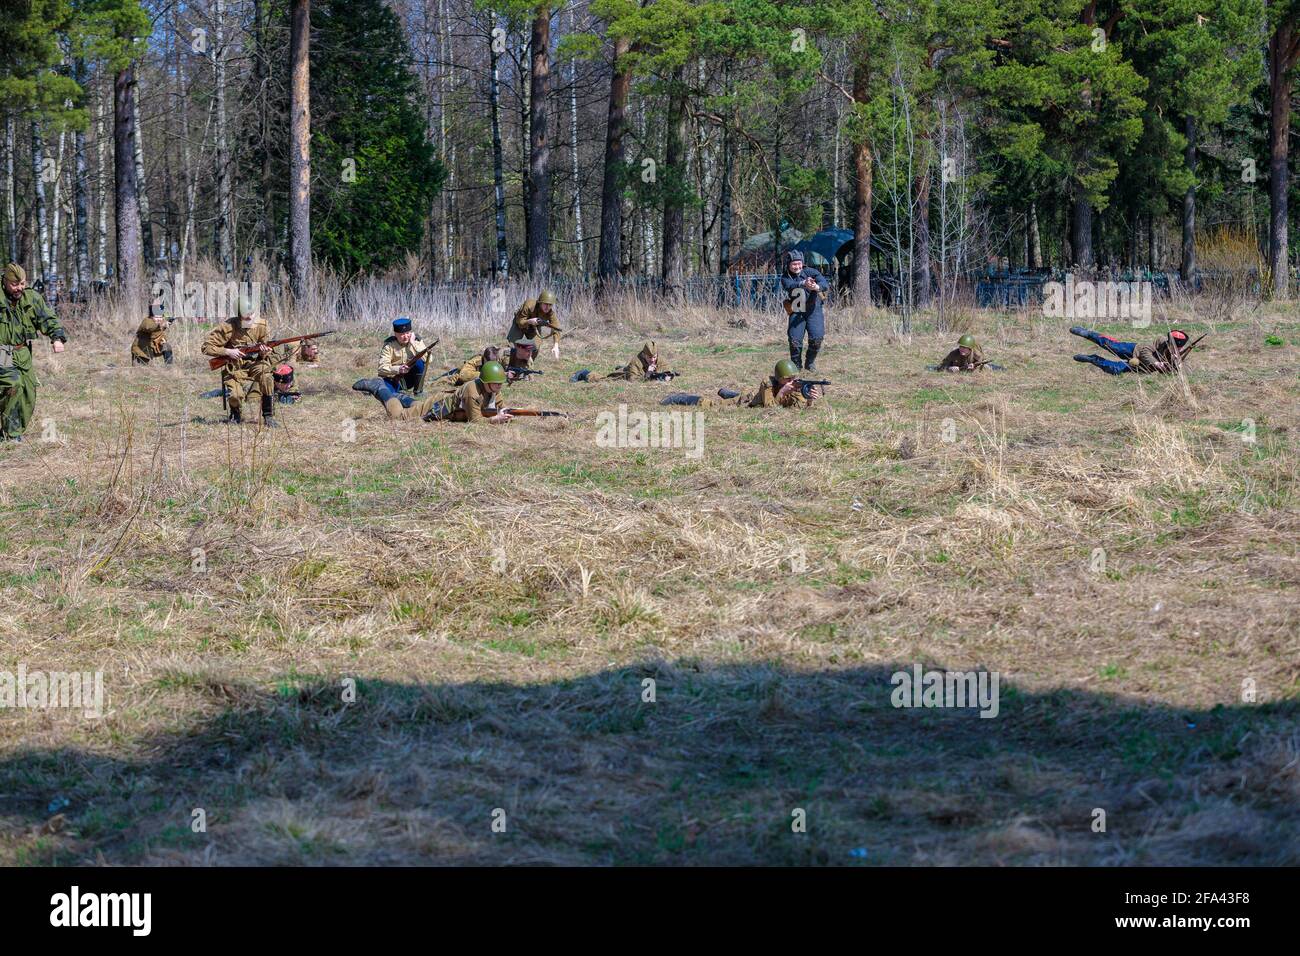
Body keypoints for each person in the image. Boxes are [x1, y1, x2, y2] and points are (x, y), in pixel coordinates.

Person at [0, 262, 68, 443]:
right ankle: (11, 434)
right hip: (2, 351)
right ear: (5, 281)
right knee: (12, 385)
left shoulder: (31, 298)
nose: (19, 288)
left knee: (28, 392)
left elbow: (47, 318)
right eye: (15, 284)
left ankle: (14, 429)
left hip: (23, 351)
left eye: (22, 283)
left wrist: (57, 337)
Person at [353, 360, 516, 423]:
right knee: (399, 417)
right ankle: (379, 388)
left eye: (500, 383)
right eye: (496, 384)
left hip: (445, 408)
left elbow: (498, 406)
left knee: (419, 406)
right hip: (438, 407)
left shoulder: (494, 388)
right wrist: (496, 420)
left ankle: (400, 397)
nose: (499, 387)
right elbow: (475, 422)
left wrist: (504, 412)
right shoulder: (472, 391)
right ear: (486, 382)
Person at [200, 297, 277, 426]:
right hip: (234, 366)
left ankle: (268, 416)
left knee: (267, 377)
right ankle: (235, 414)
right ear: (239, 316)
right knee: (235, 395)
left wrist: (264, 352)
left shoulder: (262, 325)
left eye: (252, 315)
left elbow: (266, 349)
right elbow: (206, 347)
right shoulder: (228, 327)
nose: (251, 319)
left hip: (255, 363)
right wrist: (228, 352)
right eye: (246, 317)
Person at [661, 358, 821, 408]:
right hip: (749, 401)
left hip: (756, 397)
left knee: (738, 395)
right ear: (779, 378)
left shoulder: (796, 385)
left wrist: (810, 400)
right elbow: (770, 408)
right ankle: (679, 398)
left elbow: (798, 407)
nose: (792, 382)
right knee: (713, 405)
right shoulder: (768, 383)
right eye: (788, 379)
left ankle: (727, 392)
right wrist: (782, 392)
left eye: (794, 378)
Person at [779, 250, 829, 371]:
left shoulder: (811, 272)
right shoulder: (786, 277)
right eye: (793, 264)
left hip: (814, 309)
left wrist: (816, 287)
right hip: (797, 310)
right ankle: (796, 365)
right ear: (789, 265)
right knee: (794, 340)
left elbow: (824, 283)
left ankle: (810, 362)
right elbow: (790, 286)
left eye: (799, 264)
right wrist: (803, 283)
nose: (797, 266)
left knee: (817, 338)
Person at [1071, 327, 1193, 375]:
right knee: (1111, 345)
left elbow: (1188, 372)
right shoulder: (1161, 342)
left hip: (1140, 367)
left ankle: (1092, 359)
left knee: (1114, 369)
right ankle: (1087, 334)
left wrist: (1178, 364)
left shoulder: (1181, 356)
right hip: (1135, 350)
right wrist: (1156, 363)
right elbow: (1145, 352)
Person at [571, 340, 676, 382]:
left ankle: (623, 367)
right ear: (644, 355)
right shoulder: (636, 361)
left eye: (655, 357)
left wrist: (664, 376)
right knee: (604, 380)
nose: (653, 359)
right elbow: (633, 380)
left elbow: (667, 370)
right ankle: (584, 373)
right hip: (625, 376)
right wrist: (648, 375)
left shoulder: (659, 358)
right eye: (649, 357)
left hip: (634, 370)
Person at [377, 317, 430, 393]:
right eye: (402, 334)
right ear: (395, 334)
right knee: (386, 392)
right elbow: (381, 369)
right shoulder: (389, 346)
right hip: (395, 378)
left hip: (410, 378)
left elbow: (429, 359)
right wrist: (398, 369)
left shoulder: (416, 341)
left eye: (407, 333)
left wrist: (413, 344)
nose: (406, 337)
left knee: (419, 362)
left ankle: (418, 391)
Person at [508, 289, 562, 356]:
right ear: (540, 303)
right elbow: (520, 321)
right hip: (520, 324)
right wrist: (529, 321)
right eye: (545, 304)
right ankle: (510, 364)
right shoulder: (529, 305)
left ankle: (528, 364)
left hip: (534, 328)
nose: (547, 307)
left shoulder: (550, 313)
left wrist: (556, 345)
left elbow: (556, 328)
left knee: (535, 347)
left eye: (550, 305)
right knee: (512, 345)